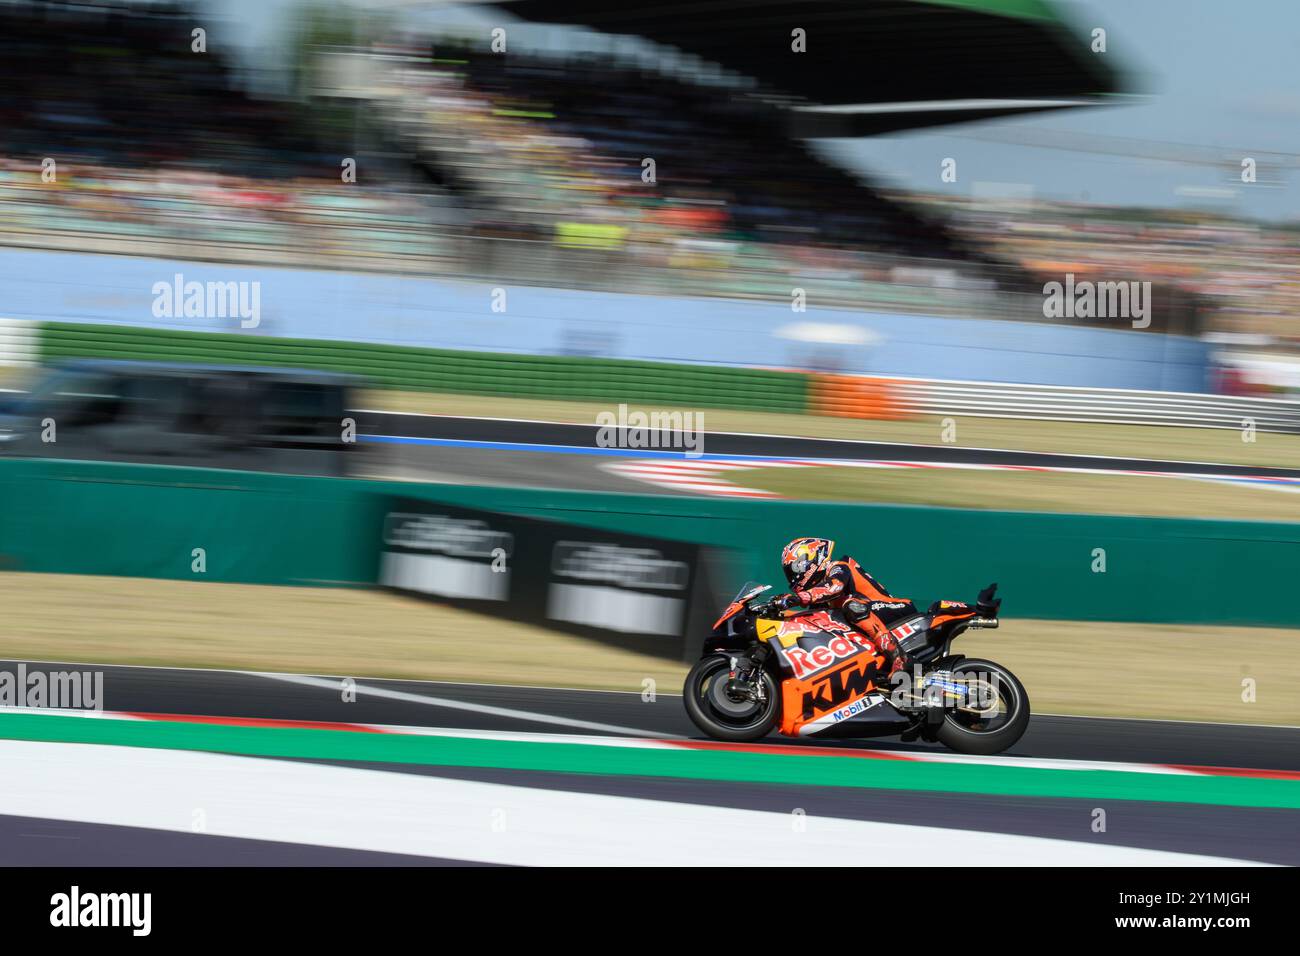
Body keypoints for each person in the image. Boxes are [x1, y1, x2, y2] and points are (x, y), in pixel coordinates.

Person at [772, 536, 910, 678]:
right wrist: (780, 616)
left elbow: (834, 586)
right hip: (873, 620)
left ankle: (899, 657)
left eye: (796, 567)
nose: (794, 576)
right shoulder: (817, 598)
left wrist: (800, 598)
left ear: (811, 558)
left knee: (852, 606)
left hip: (896, 607)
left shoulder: (838, 566)